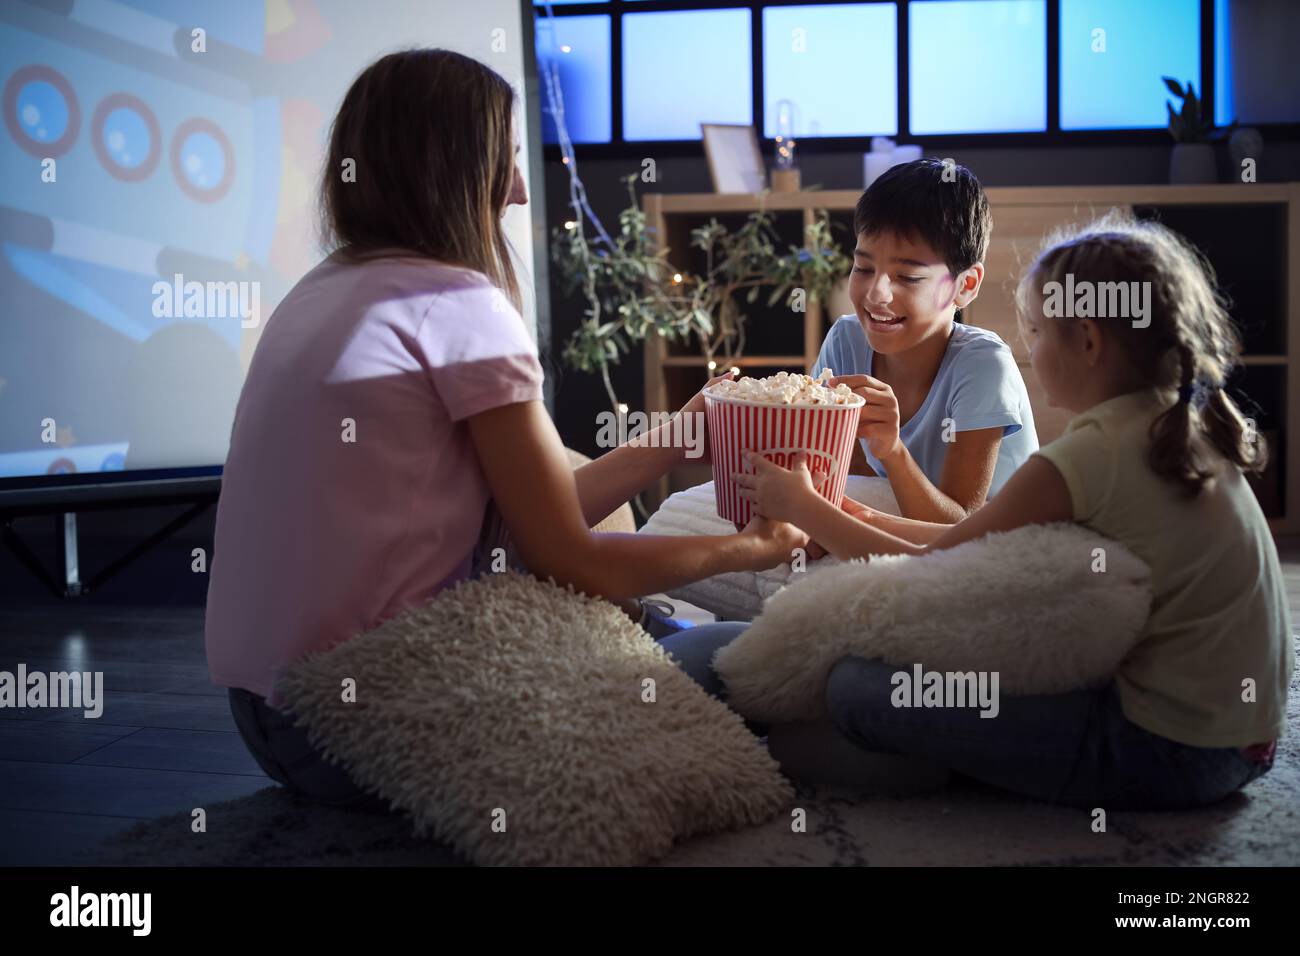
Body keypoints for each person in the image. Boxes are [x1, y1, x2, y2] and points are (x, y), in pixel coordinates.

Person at [204, 49, 804, 808]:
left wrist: (679, 437)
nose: (519, 190)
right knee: (749, 656)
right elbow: (568, 560)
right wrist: (754, 547)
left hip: (269, 722)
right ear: (453, 169)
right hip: (367, 724)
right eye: (507, 159)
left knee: (670, 622)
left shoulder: (319, 290)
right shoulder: (460, 305)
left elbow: (533, 523)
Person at [668, 211, 1292, 810]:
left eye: (1039, 335)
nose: (1031, 353)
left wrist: (805, 505)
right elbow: (963, 536)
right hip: (1240, 738)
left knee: (857, 690)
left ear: (1090, 341)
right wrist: (845, 519)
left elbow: (938, 563)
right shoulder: (1180, 424)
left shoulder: (1089, 453)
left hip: (1165, 751)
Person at [812, 158, 1038, 523]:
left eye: (908, 277)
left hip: (994, 544)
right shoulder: (845, 341)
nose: (876, 294)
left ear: (965, 286)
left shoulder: (983, 365)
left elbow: (958, 527)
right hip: (907, 530)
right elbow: (850, 486)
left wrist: (892, 451)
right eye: (864, 268)